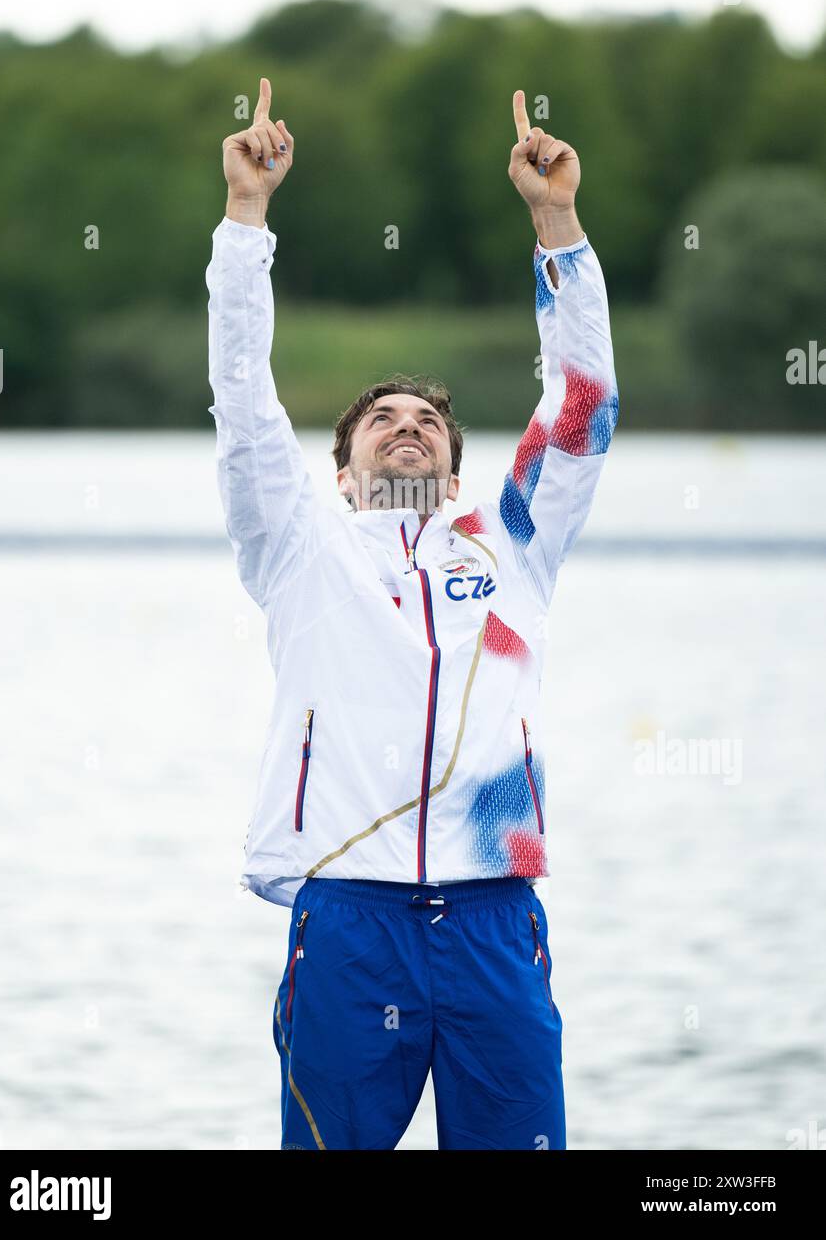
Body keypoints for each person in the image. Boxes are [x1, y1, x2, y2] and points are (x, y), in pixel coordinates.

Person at [206, 77, 618, 1150]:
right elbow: (246, 399)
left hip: (494, 922)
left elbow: (580, 410)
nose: (404, 426)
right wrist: (246, 220)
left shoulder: (512, 545)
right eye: (378, 420)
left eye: (425, 421)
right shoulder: (297, 543)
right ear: (338, 474)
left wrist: (554, 223)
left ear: (452, 468)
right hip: (347, 923)